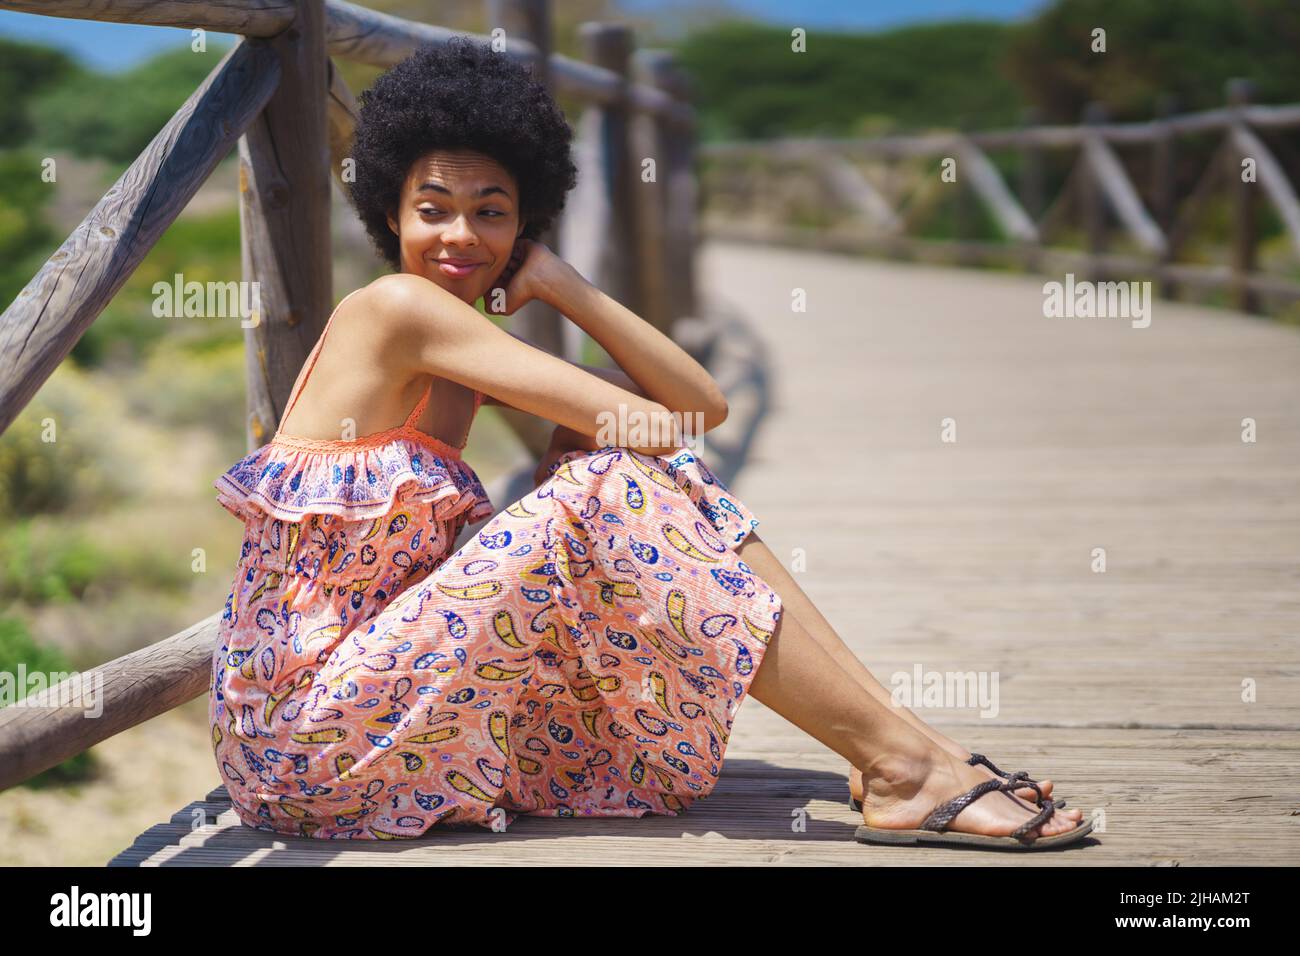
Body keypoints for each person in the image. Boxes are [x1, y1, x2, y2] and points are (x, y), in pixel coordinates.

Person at [209, 37, 1092, 850]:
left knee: (630, 466)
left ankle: (907, 748)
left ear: (525, 223)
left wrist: (564, 284)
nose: (462, 236)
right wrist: (570, 304)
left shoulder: (456, 335)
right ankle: (903, 763)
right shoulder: (399, 311)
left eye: (492, 212)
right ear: (389, 211)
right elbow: (670, 421)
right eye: (432, 209)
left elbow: (695, 408)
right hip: (303, 742)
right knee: (610, 481)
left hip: (387, 705)